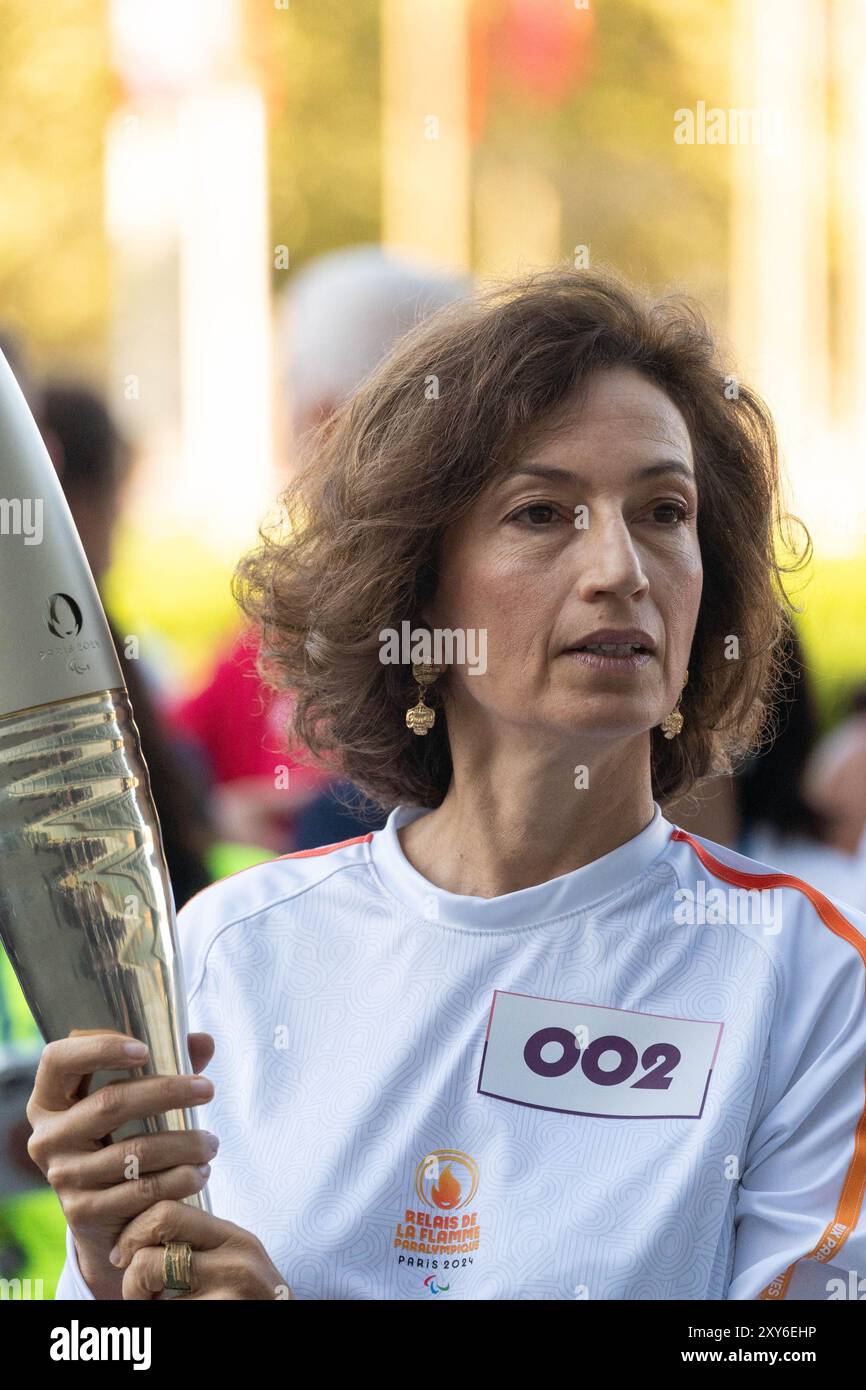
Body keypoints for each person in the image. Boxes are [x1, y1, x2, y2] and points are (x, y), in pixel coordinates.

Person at [31, 265, 866, 1300]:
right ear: (417, 586)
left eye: (661, 510)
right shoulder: (227, 951)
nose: (618, 567)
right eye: (540, 512)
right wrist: (112, 1282)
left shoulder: (807, 982)